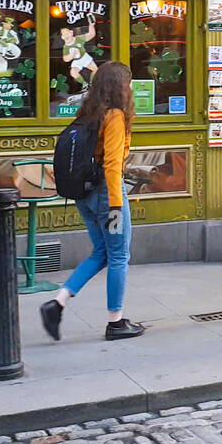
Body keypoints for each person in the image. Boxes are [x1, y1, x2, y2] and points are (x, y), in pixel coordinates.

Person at [40, 61, 145, 342]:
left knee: (101, 252)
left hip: (83, 194)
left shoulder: (88, 112)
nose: (132, 87)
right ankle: (116, 322)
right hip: (105, 194)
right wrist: (115, 207)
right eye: (129, 81)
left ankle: (56, 303)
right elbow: (112, 165)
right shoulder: (114, 116)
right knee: (119, 256)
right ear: (120, 87)